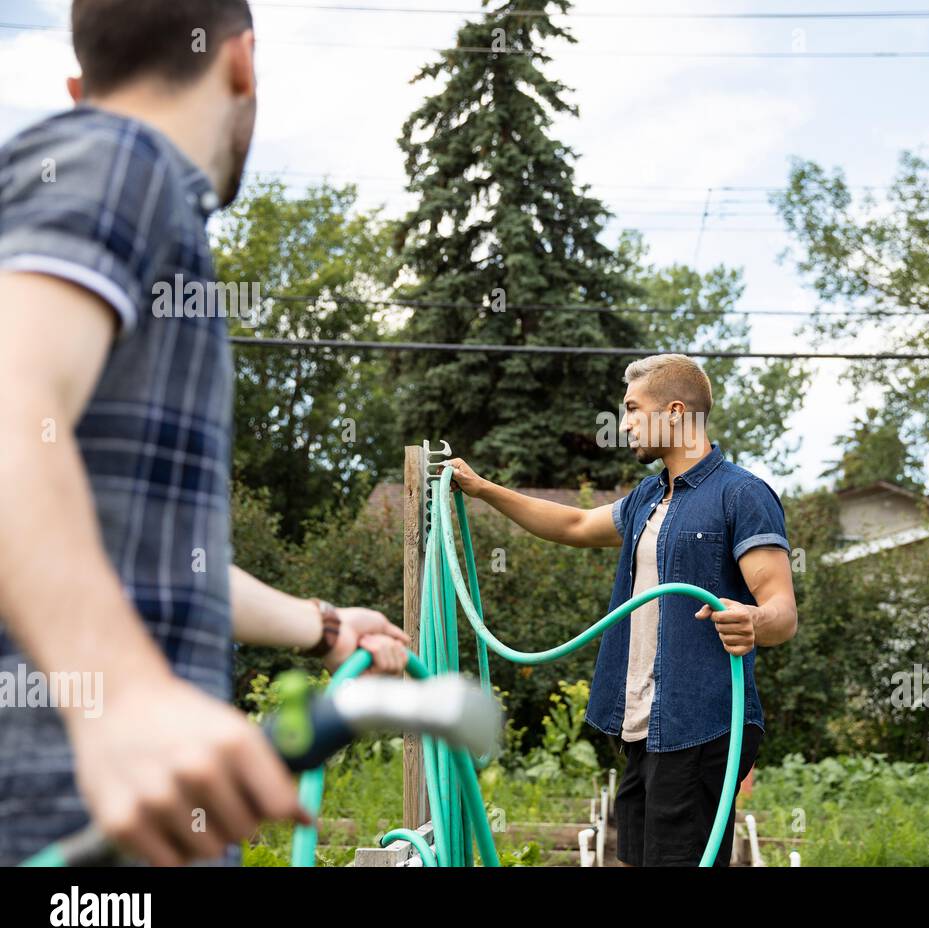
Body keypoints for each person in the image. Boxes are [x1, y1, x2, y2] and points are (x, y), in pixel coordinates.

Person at [0, 0, 410, 867]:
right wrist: (122, 696)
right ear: (242, 63)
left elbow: (145, 552)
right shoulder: (120, 158)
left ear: (81, 85)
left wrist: (326, 628)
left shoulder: (113, 188)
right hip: (61, 818)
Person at [440, 353, 798, 866]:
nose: (624, 424)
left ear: (675, 413)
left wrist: (754, 621)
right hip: (641, 723)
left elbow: (782, 611)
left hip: (701, 723)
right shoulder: (647, 498)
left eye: (633, 409)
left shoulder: (741, 494)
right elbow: (575, 526)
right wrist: (481, 490)